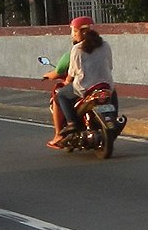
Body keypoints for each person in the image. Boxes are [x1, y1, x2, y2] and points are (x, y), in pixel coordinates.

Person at [49, 16, 114, 144]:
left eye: (74, 31)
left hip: (84, 88)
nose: (73, 35)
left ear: (82, 32)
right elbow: (110, 66)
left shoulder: (77, 49)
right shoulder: (105, 45)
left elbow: (72, 73)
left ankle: (72, 123)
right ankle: (113, 116)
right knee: (113, 93)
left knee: (61, 95)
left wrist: (66, 82)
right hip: (106, 85)